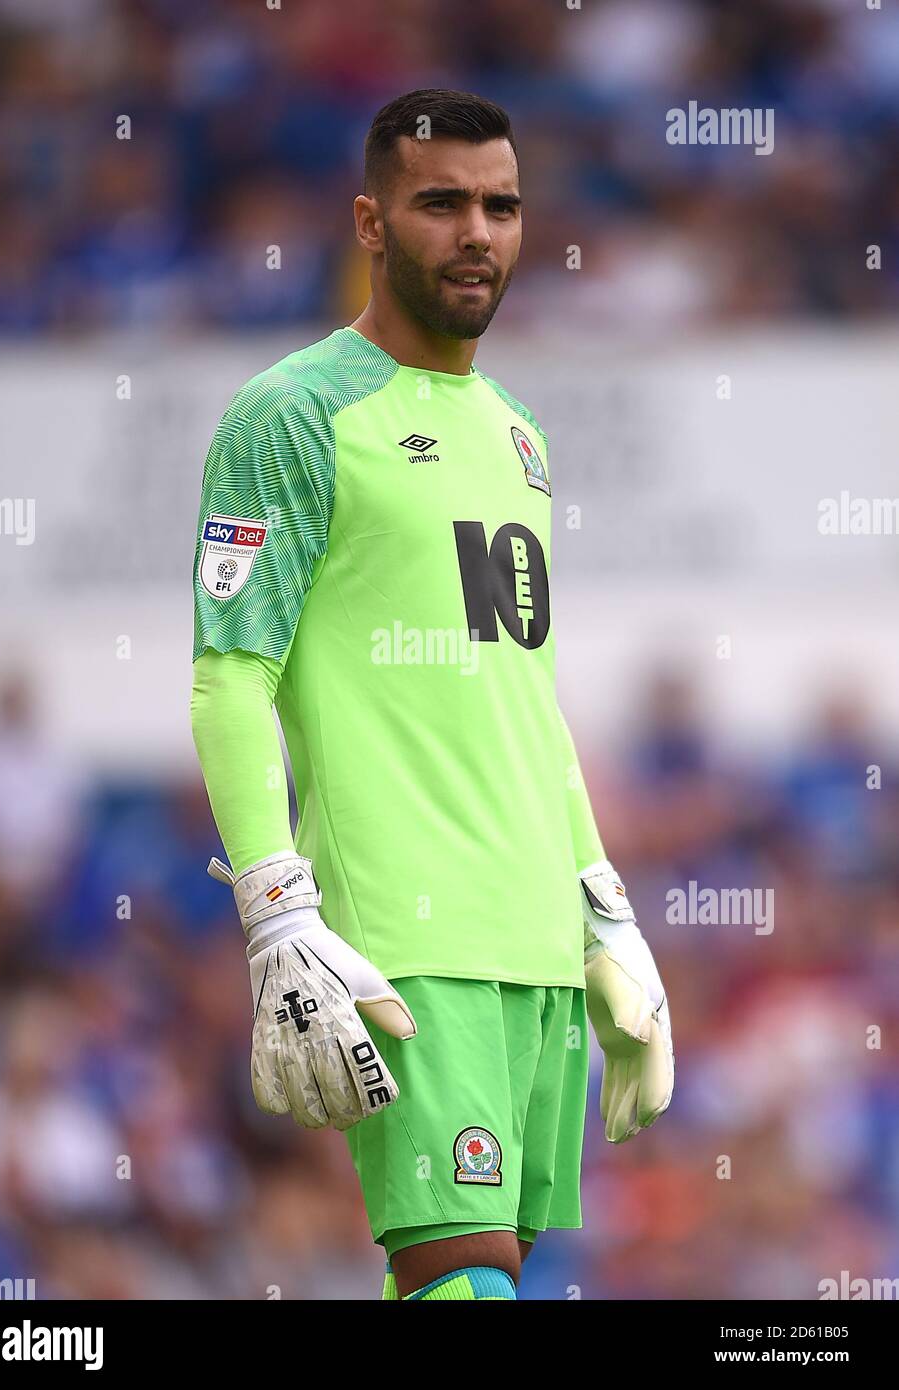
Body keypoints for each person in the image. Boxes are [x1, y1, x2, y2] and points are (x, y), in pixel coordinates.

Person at [190, 88, 673, 1302]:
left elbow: (526, 695)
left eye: (500, 207)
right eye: (440, 203)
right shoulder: (291, 413)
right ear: (368, 220)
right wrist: (273, 908)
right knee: (461, 1282)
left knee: (491, 1277)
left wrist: (600, 906)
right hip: (405, 934)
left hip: (532, 940)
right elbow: (229, 670)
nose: (476, 233)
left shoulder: (517, 433)